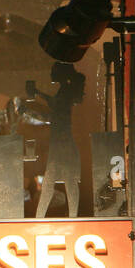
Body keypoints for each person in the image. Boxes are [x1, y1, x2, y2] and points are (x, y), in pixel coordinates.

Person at [30, 63, 86, 217]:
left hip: (62, 143)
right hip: (62, 142)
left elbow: (55, 116)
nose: (51, 75)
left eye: (53, 72)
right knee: (60, 180)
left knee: (57, 180)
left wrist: (31, 112)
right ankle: (65, 216)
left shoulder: (65, 91)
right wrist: (38, 93)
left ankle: (41, 217)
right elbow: (55, 107)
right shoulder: (65, 91)